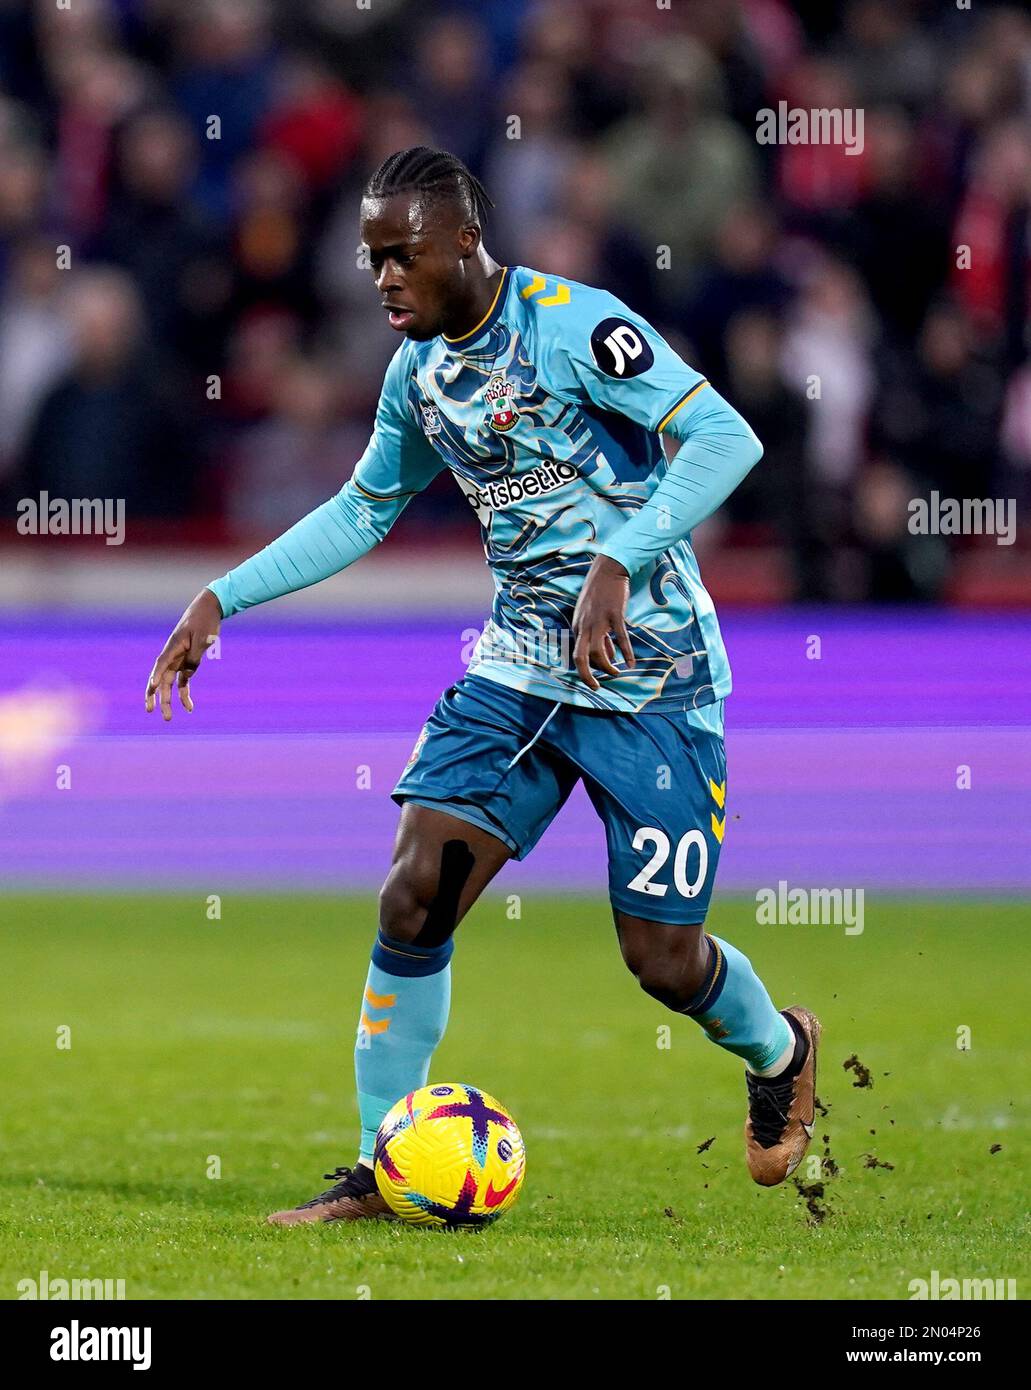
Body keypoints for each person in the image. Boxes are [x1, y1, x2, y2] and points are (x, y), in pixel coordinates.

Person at [145, 147, 820, 1223]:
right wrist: (222, 597)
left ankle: (780, 1049)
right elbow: (365, 508)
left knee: (660, 958)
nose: (381, 280)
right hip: (517, 671)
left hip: (651, 675)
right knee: (414, 891)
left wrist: (620, 556)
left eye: (399, 255)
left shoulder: (573, 325)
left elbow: (719, 437)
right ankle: (381, 1163)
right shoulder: (417, 376)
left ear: (463, 240)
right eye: (370, 260)